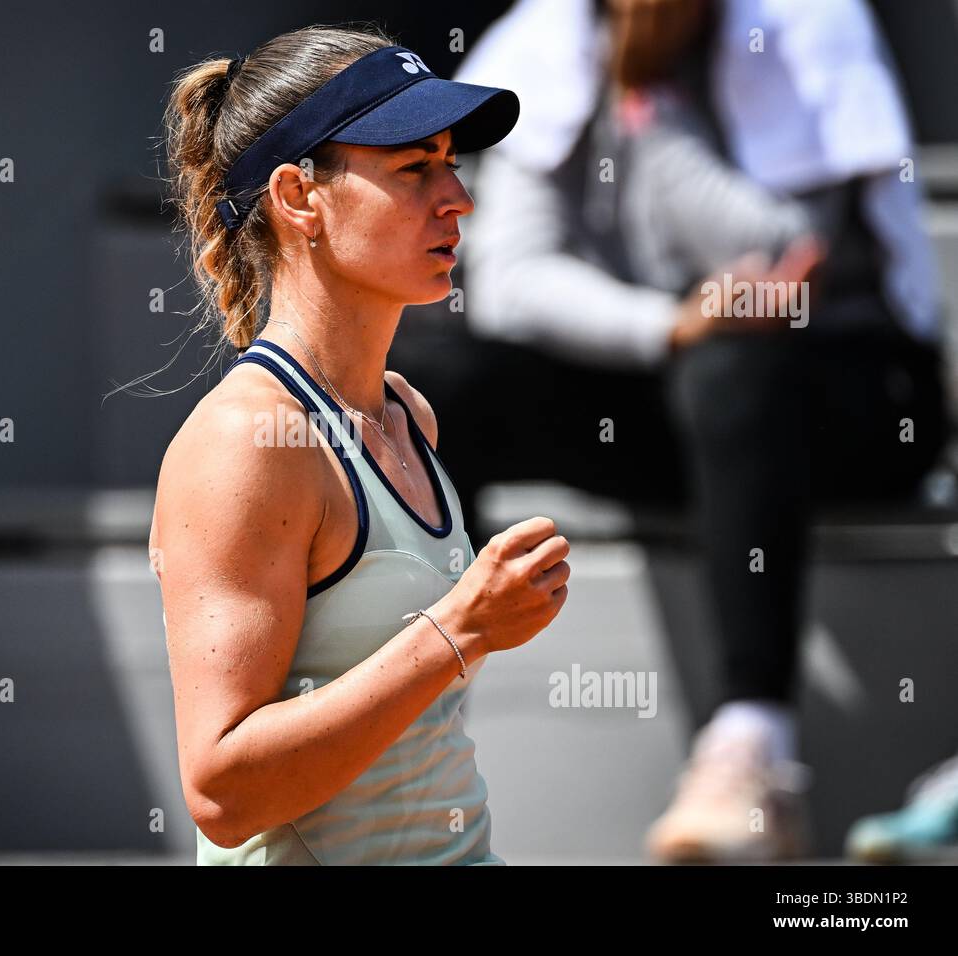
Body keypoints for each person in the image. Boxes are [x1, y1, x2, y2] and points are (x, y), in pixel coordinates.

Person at [394, 0, 952, 862]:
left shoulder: (806, 28)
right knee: (438, 381)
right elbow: (509, 281)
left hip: (849, 399)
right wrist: (668, 324)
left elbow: (786, 259)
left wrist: (648, 115)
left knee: (732, 370)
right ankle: (401, 735)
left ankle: (752, 750)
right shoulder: (546, 44)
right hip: (665, 392)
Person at [148, 25, 570, 865]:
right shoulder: (246, 445)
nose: (458, 197)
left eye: (451, 162)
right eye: (414, 169)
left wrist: (463, 631)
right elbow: (223, 793)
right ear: (298, 197)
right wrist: (461, 629)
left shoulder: (409, 415)